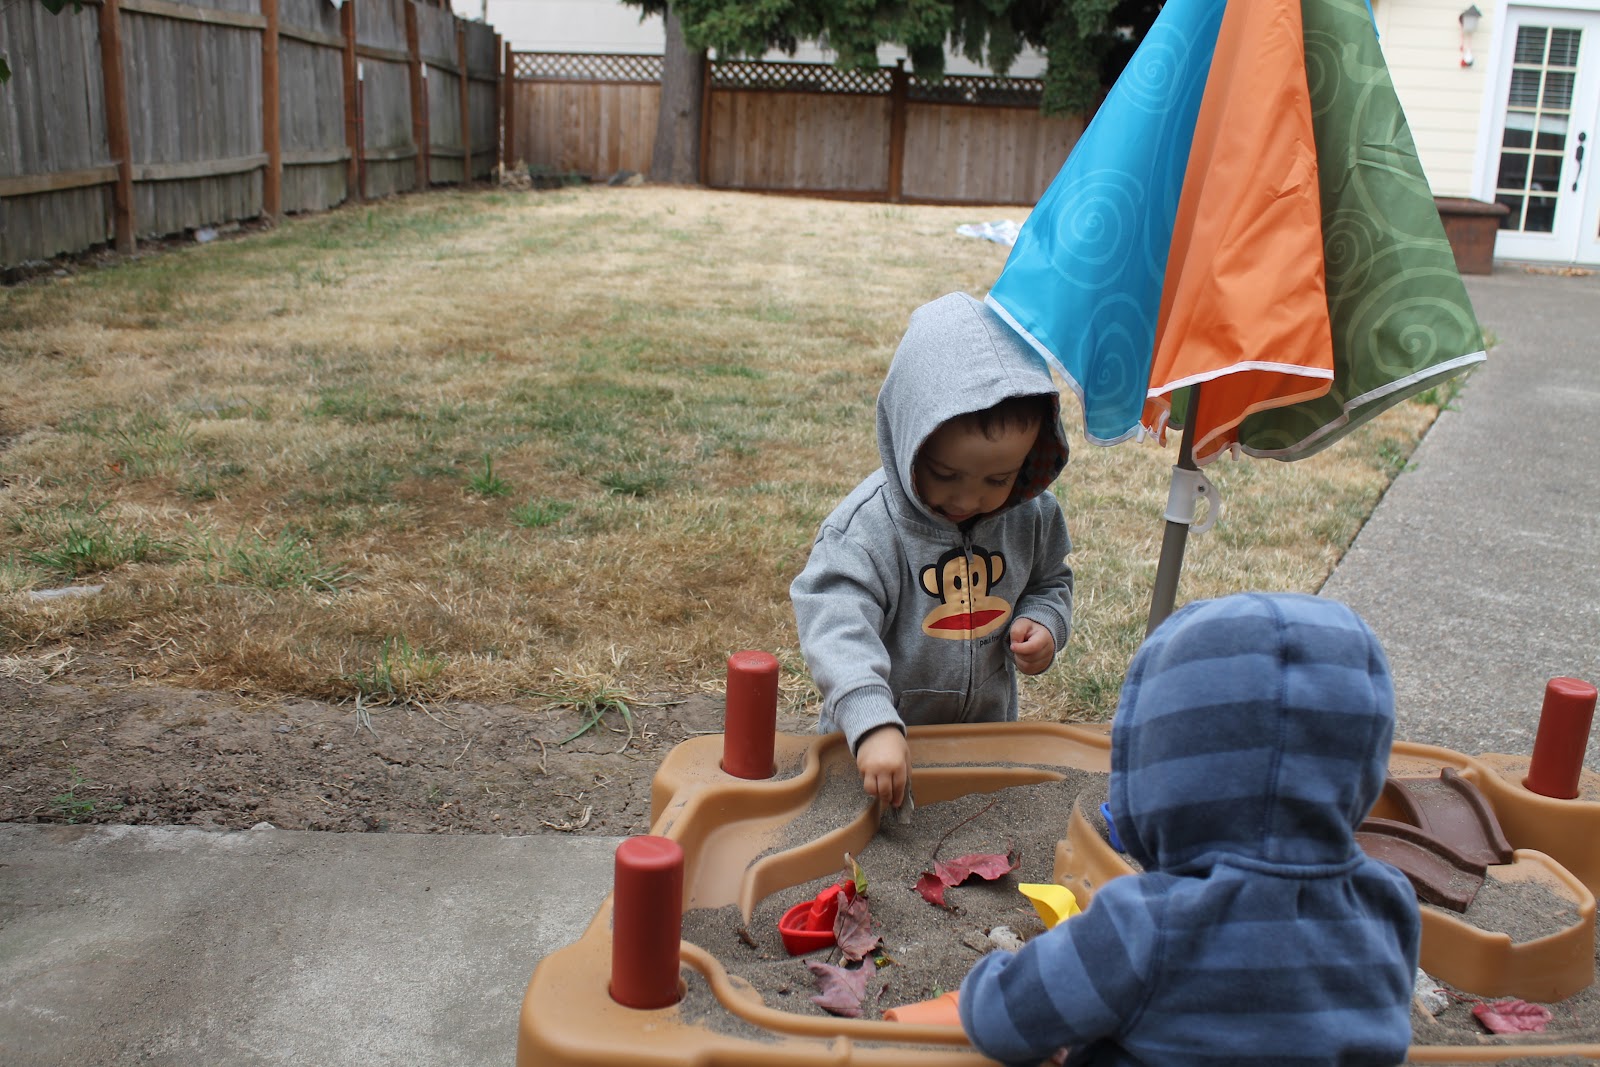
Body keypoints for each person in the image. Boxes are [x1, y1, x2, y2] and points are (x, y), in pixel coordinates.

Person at [958, 592, 1422, 1067]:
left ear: (1157, 771)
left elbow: (1003, 1022)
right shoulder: (1386, 904)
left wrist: (991, 973)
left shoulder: (1149, 923)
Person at [790, 291, 1073, 810]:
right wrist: (870, 720)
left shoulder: (1029, 515)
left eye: (998, 478)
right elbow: (834, 623)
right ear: (909, 439)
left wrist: (1045, 621)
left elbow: (1050, 580)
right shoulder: (867, 529)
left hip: (981, 747)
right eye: (945, 475)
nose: (968, 499)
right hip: (874, 754)